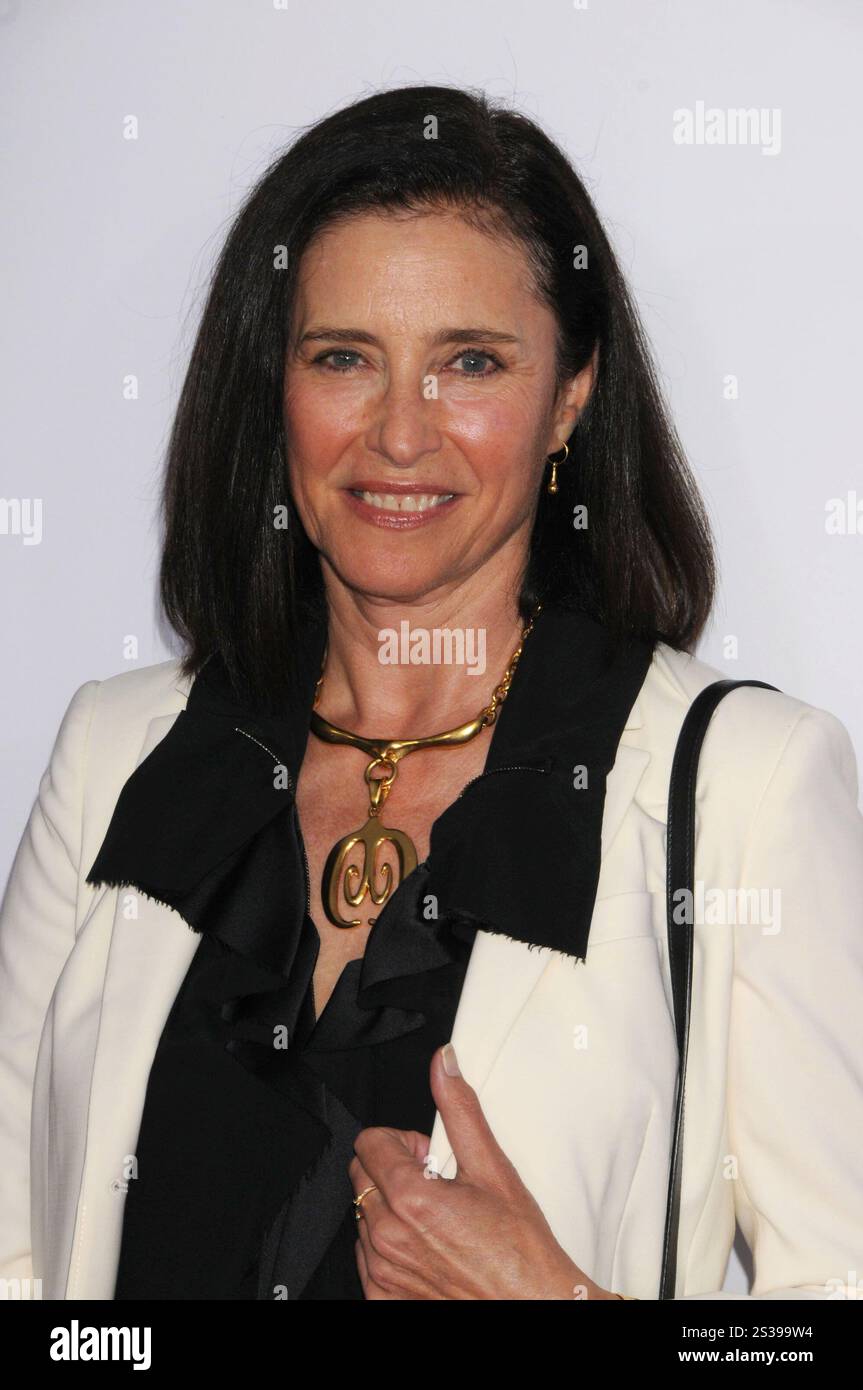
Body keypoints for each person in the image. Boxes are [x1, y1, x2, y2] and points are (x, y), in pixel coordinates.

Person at [1, 84, 861, 1302]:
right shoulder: (118, 754)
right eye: (343, 357)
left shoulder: (743, 789)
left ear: (568, 394)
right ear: (275, 387)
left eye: (469, 362)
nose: (399, 434)